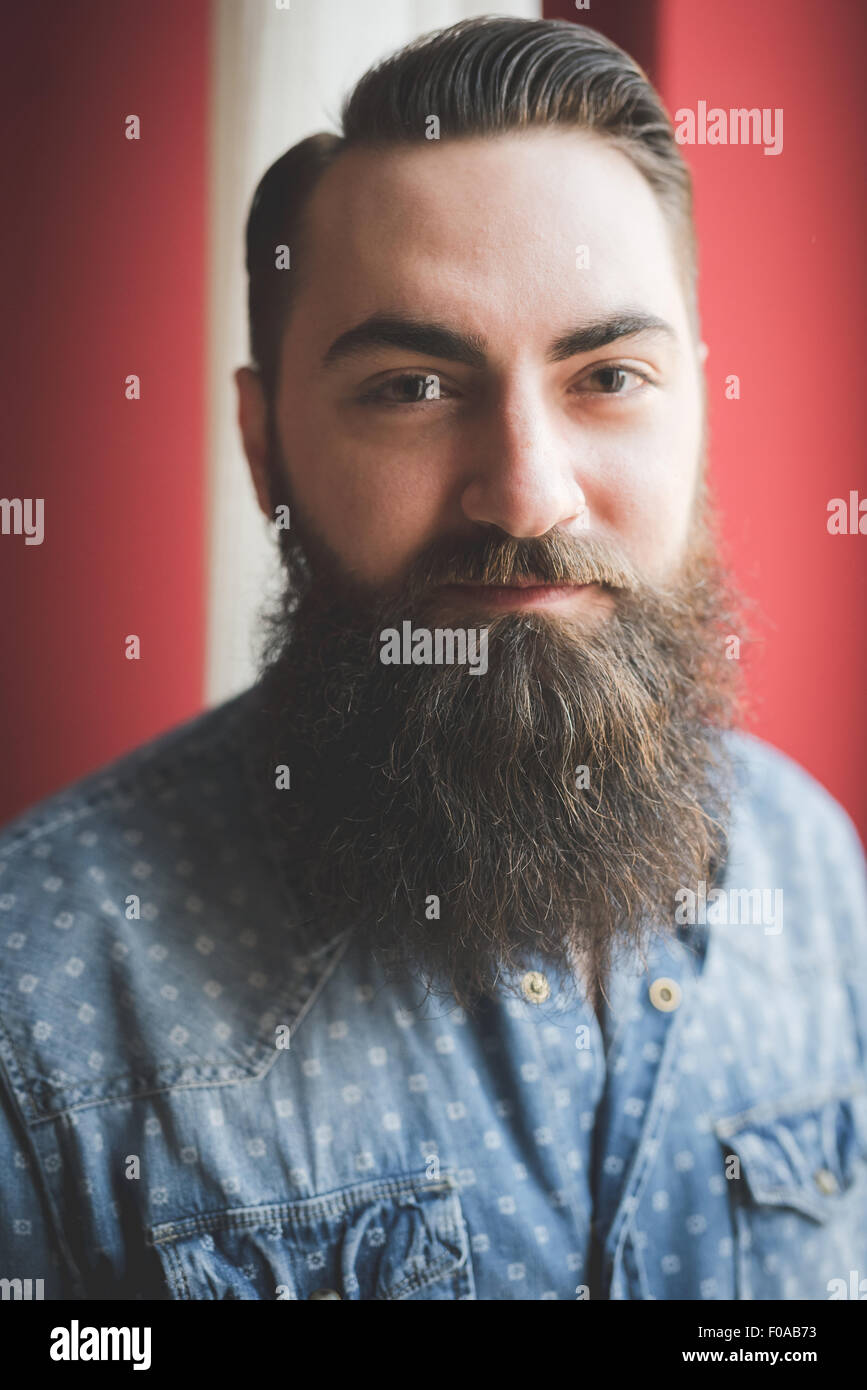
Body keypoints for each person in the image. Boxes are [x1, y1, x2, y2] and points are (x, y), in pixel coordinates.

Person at [1, 17, 865, 1302]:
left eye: (610, 375)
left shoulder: (819, 873)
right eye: (412, 386)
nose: (525, 497)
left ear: (695, 411)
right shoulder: (41, 987)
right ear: (264, 445)